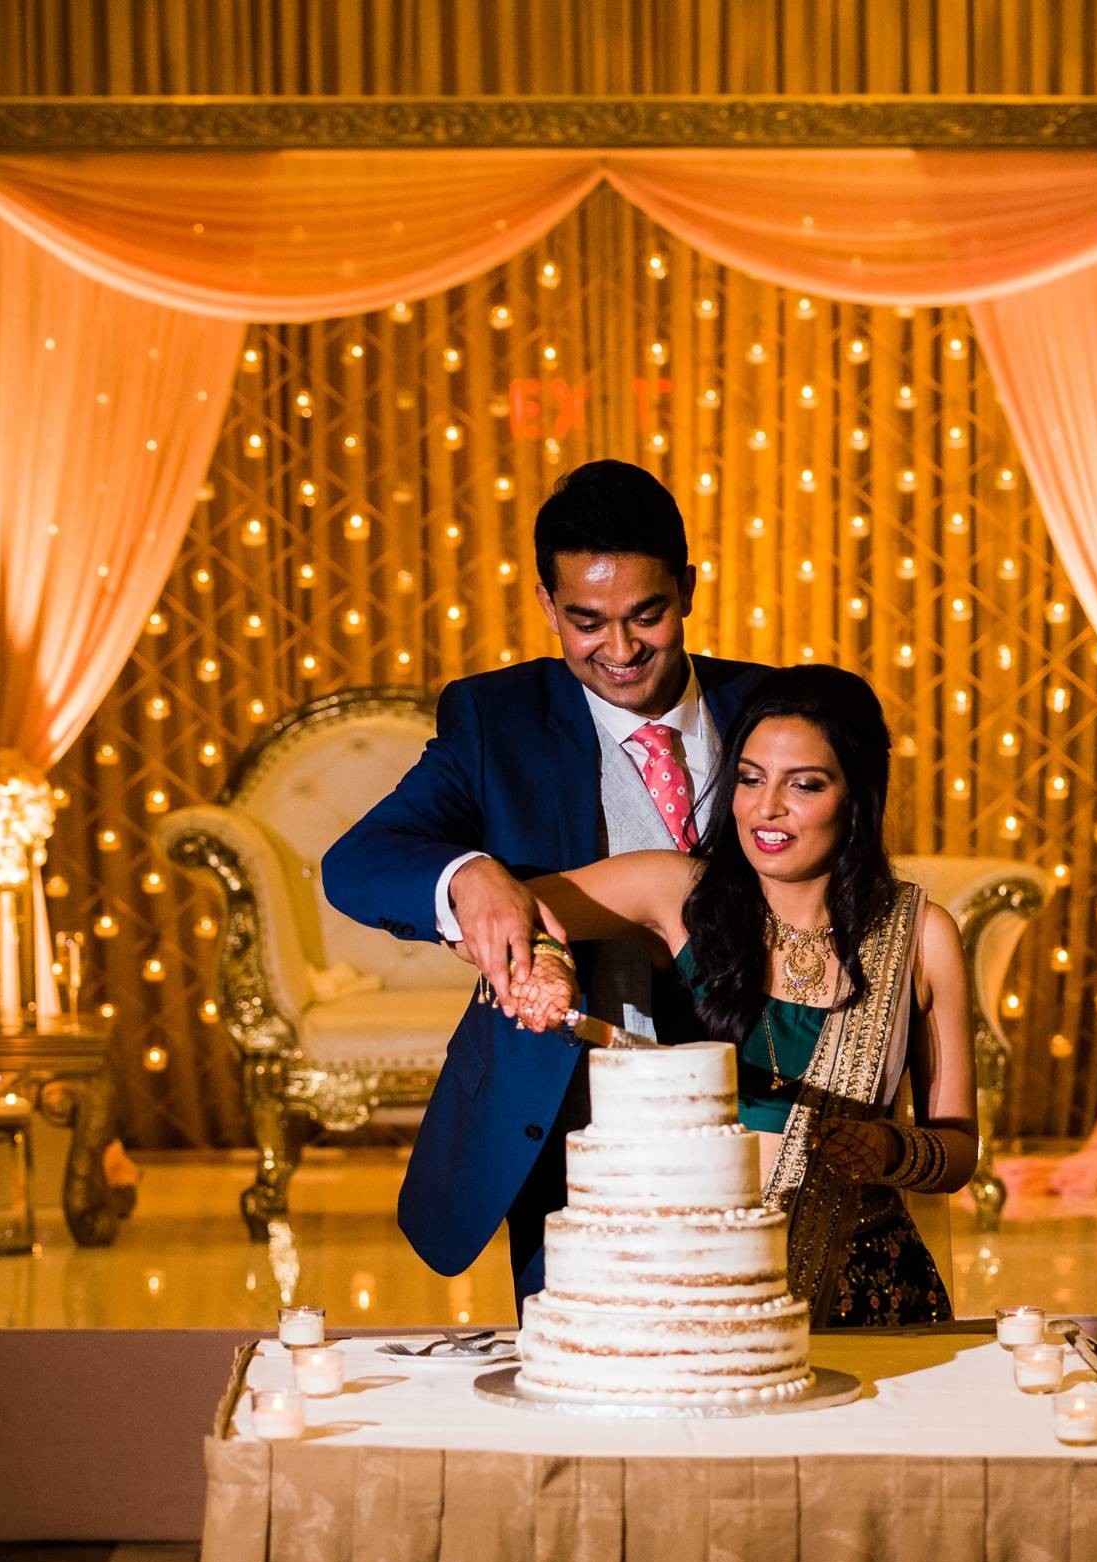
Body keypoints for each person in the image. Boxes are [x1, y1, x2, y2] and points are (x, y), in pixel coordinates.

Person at [323, 460, 772, 1300]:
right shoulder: (498, 720)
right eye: (586, 621)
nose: (621, 649)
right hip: (575, 1128)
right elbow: (357, 860)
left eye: (649, 614)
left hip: (760, 1121)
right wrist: (468, 873)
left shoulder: (777, 705)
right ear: (546, 606)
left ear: (689, 587)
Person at [500, 665, 976, 1326]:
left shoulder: (919, 936)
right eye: (750, 778)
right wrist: (549, 963)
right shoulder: (676, 893)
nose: (766, 808)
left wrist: (894, 1153)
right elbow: (505, 912)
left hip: (866, 1290)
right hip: (702, 1287)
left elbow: (958, 1151)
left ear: (858, 793)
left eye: (804, 784)